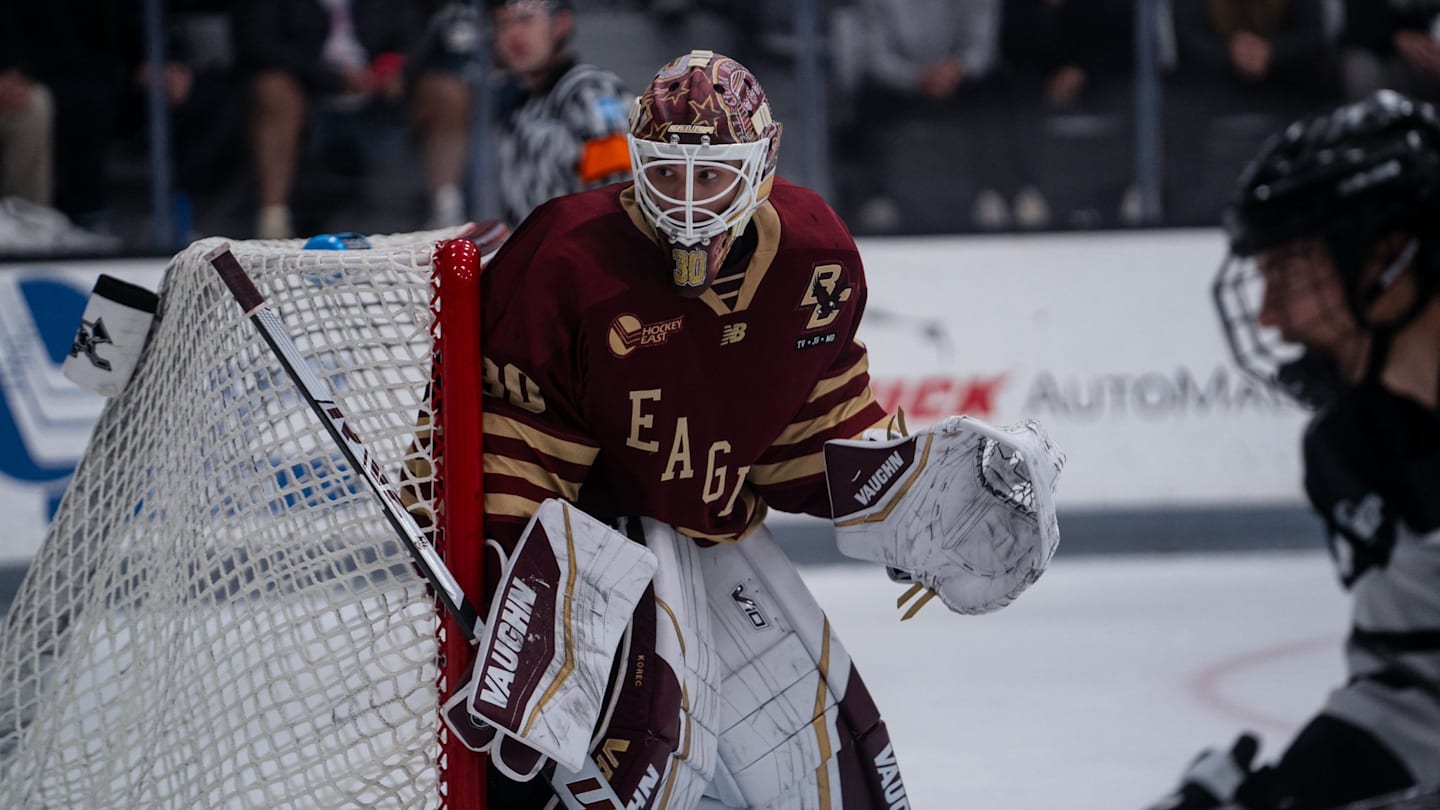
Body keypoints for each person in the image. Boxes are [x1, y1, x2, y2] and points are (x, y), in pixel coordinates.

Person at [429, 50, 1062, 809]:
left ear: (764, 161)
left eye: (711, 178)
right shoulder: (564, 259)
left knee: (832, 784)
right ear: (636, 160)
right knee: (639, 777)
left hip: (713, 540)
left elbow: (802, 431)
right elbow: (509, 455)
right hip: (591, 552)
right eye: (668, 173)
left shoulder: (815, 258)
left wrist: (897, 493)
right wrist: (523, 611)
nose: (687, 205)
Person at [1146, 89, 1440, 810]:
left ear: (1389, 257)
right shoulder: (1353, 449)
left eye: (1290, 273)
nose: (1271, 317)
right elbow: (1409, 694)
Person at [232, 0, 470, 239]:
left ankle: (445, 211)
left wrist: (394, 70)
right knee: (272, 90)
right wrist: (333, 79)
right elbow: (259, 47)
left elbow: (412, 35)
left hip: (377, 89)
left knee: (447, 92)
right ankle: (272, 219)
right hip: (306, 86)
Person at [485, 0, 631, 227]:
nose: (513, 34)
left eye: (525, 19)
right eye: (503, 24)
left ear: (561, 23)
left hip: (586, 246)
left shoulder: (590, 92)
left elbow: (618, 194)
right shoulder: (519, 106)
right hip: (539, 246)